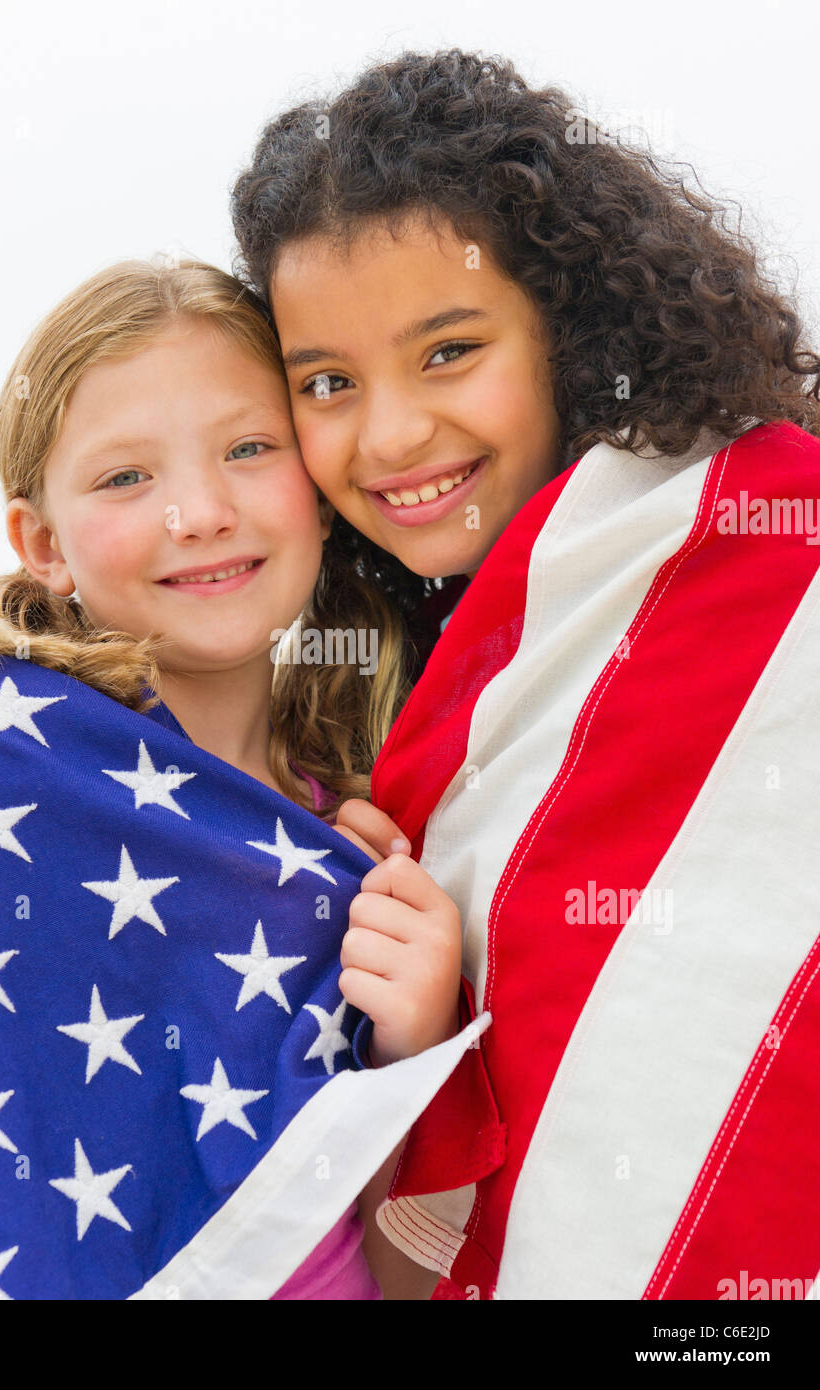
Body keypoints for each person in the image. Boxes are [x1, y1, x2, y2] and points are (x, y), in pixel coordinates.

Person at [230, 50, 820, 1299]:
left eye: (447, 351)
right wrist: (417, 1034)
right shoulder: (345, 728)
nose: (389, 436)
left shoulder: (779, 561)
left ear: (570, 329)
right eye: (325, 383)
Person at [0, 258, 476, 1301]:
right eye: (126, 477)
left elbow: (411, 1270)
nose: (199, 512)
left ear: (317, 486)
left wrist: (416, 1043)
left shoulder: (372, 814)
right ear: (42, 542)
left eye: (249, 448)